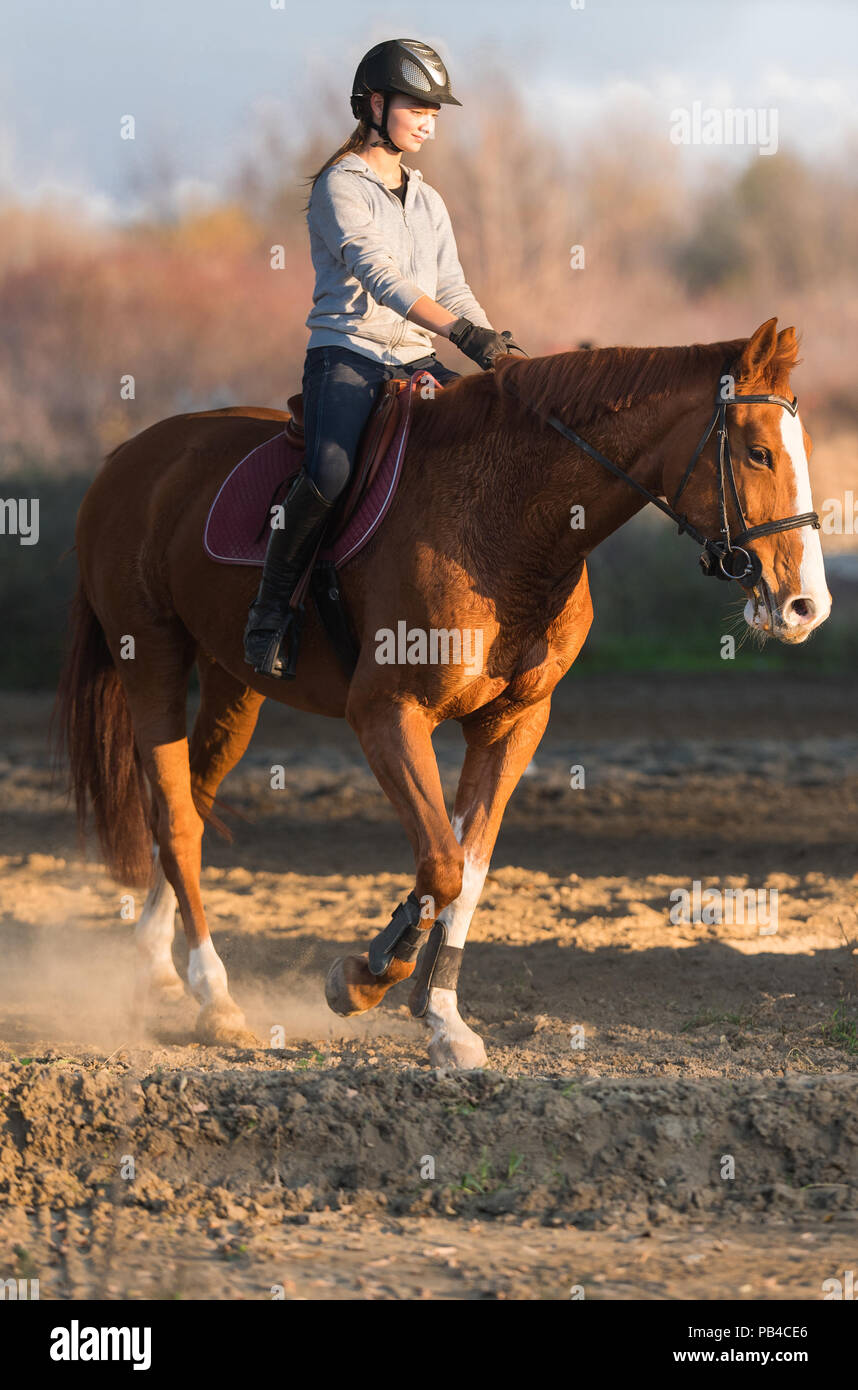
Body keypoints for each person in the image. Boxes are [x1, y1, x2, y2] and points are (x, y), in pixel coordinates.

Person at [243, 36, 524, 678]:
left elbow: (450, 284)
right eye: (417, 107)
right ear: (375, 105)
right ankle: (271, 611)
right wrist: (462, 334)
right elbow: (381, 277)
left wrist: (495, 351)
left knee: (493, 439)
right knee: (331, 473)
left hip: (419, 359)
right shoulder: (340, 186)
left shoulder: (429, 199)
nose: (429, 122)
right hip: (348, 357)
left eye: (435, 112)